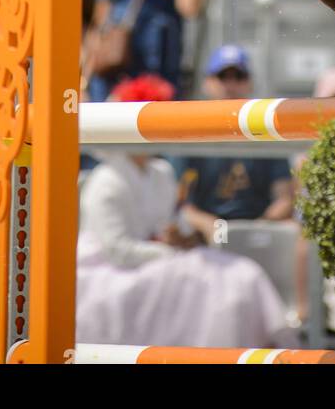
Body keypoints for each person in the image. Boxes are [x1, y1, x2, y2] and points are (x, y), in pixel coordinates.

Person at [76, 74, 291, 347]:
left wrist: (182, 237)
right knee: (211, 280)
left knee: (236, 274)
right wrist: (171, 252)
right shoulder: (106, 181)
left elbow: (175, 221)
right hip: (109, 273)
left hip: (153, 263)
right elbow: (117, 250)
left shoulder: (161, 172)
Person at [178, 46, 294, 241]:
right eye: (223, 76)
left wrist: (255, 229)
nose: (230, 84)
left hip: (259, 229)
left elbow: (283, 198)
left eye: (239, 76)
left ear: (249, 83)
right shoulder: (191, 133)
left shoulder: (266, 133)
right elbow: (181, 201)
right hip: (204, 234)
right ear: (207, 83)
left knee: (296, 235)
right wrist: (209, 226)